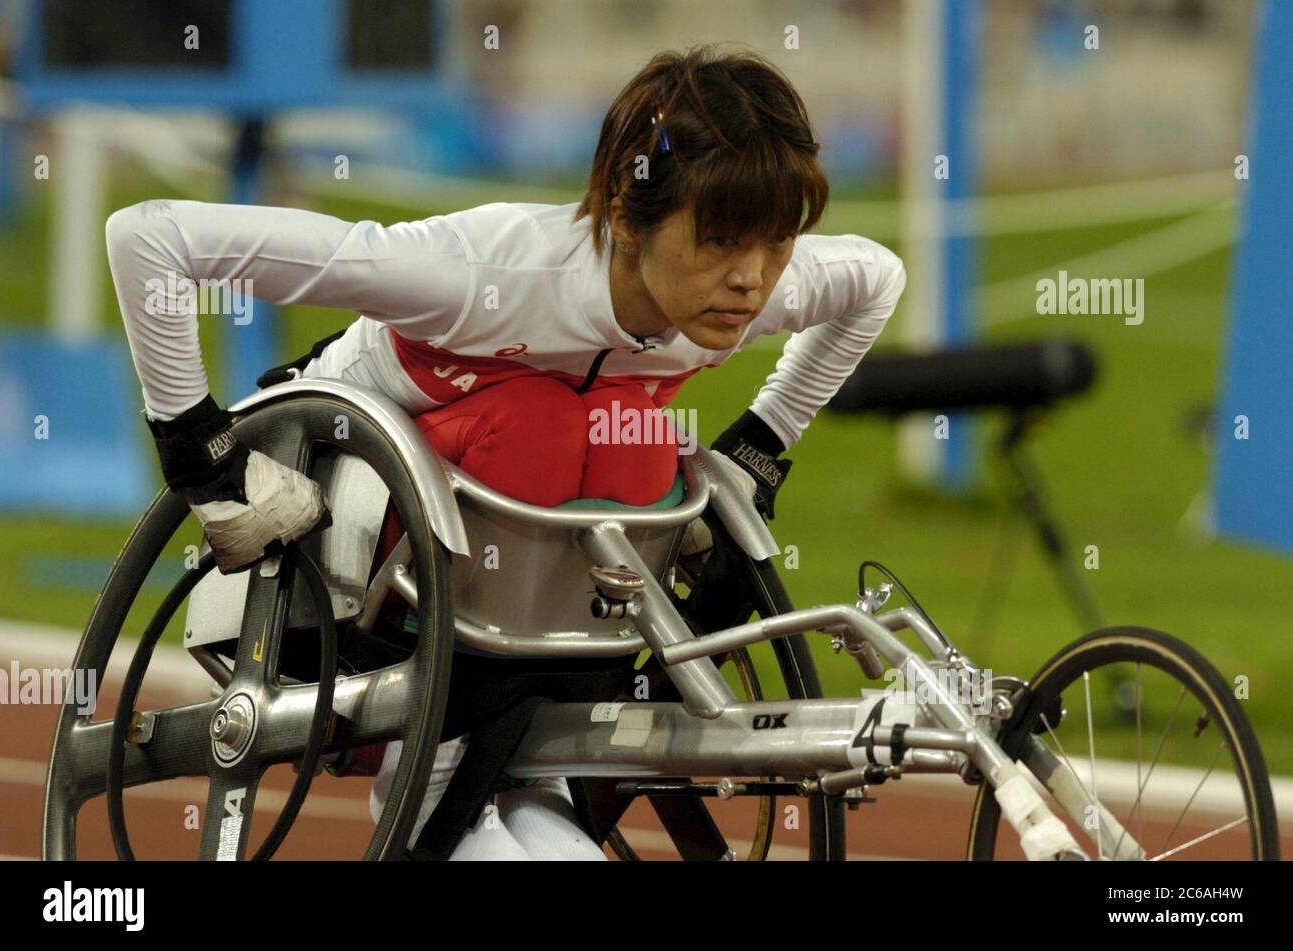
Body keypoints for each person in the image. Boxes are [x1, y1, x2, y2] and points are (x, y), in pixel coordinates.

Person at [104, 45, 906, 859]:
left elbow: (878, 279)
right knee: (545, 421)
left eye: (777, 244)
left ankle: (534, 766)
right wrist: (200, 454)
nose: (754, 280)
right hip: (339, 540)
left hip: (510, 570)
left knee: (636, 441)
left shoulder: (753, 285)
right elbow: (148, 238)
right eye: (724, 242)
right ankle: (432, 780)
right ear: (628, 218)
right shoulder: (478, 270)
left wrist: (759, 448)